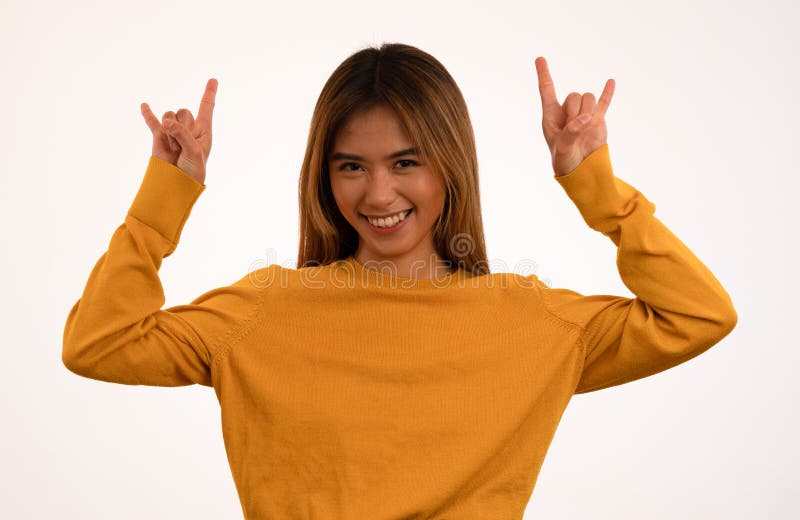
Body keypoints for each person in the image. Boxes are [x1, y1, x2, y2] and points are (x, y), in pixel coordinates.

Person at [62, 43, 738, 519]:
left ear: (450, 165)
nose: (379, 191)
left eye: (406, 161)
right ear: (323, 177)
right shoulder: (262, 313)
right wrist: (168, 195)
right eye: (351, 166)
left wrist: (595, 187)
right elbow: (97, 344)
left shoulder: (532, 322)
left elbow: (699, 314)